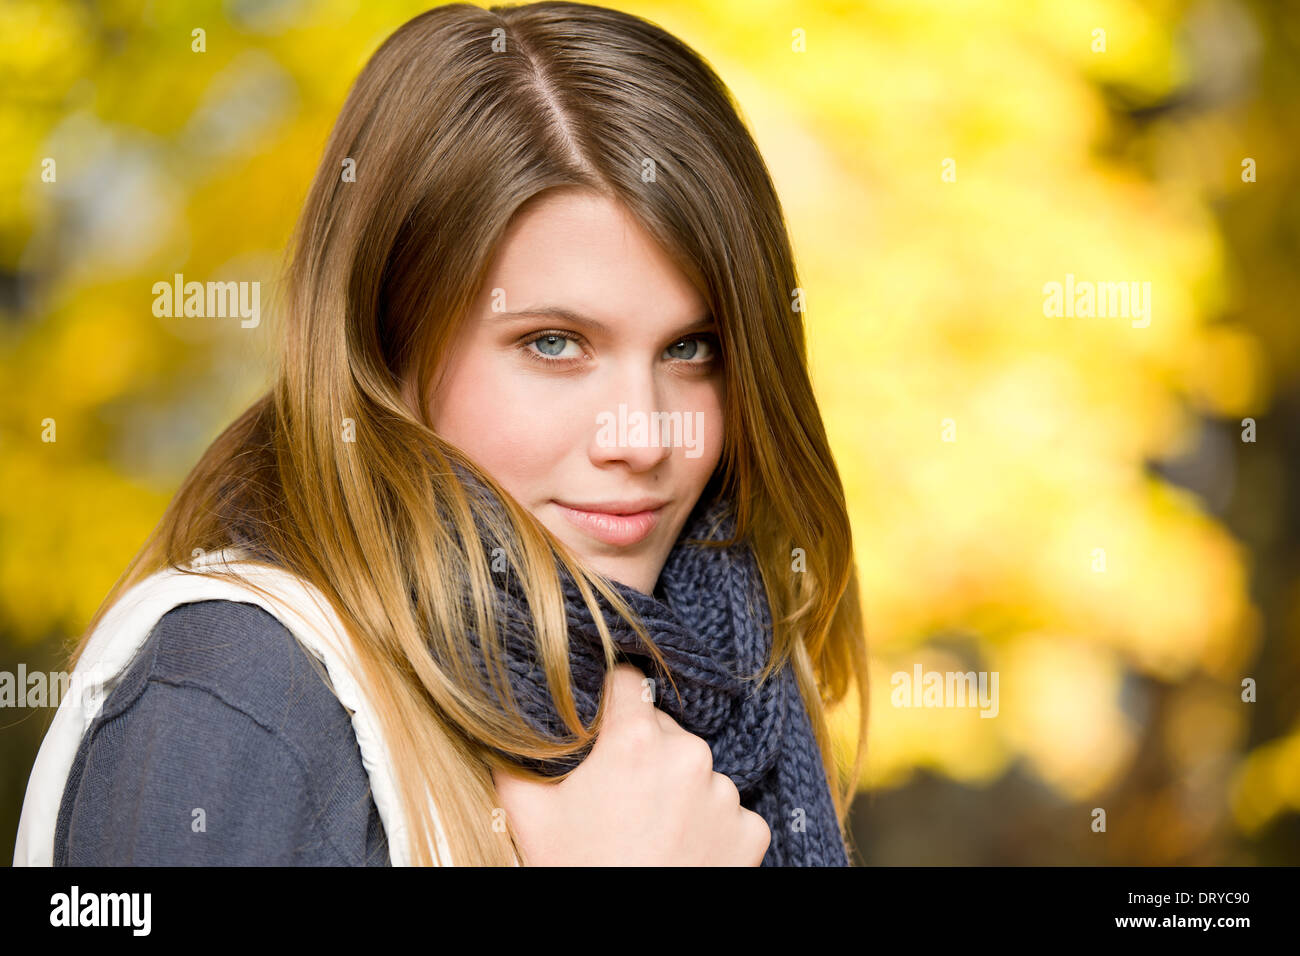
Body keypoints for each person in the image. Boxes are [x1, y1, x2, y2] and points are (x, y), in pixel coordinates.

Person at [14, 0, 868, 866]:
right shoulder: (236, 689)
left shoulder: (723, 683)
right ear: (389, 347)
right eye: (554, 344)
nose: (642, 437)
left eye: (693, 349)